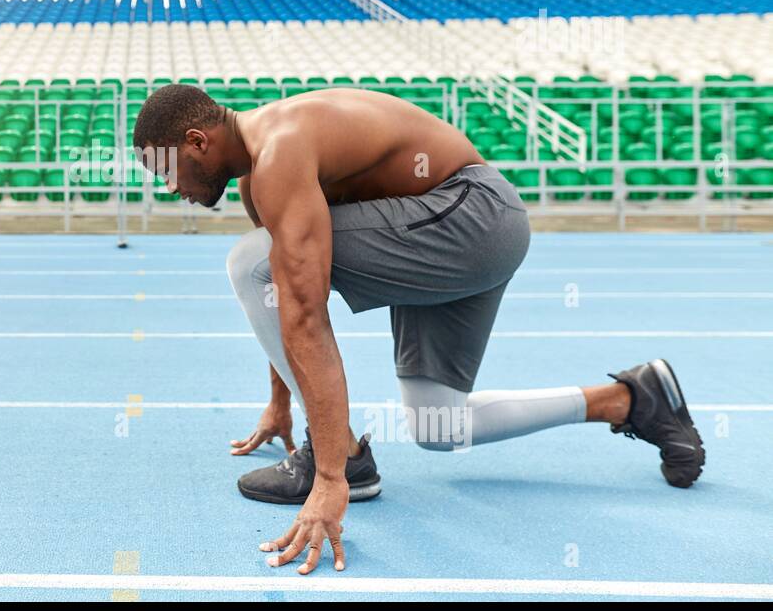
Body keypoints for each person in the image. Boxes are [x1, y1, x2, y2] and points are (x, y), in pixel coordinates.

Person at [131, 84, 705, 575]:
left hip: (469, 213)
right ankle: (630, 398)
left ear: (197, 143)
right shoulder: (264, 167)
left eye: (168, 173)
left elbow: (303, 315)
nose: (171, 190)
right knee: (440, 423)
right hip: (454, 221)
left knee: (246, 262)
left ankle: (346, 459)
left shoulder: (279, 152)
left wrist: (332, 474)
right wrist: (279, 403)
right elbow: (283, 293)